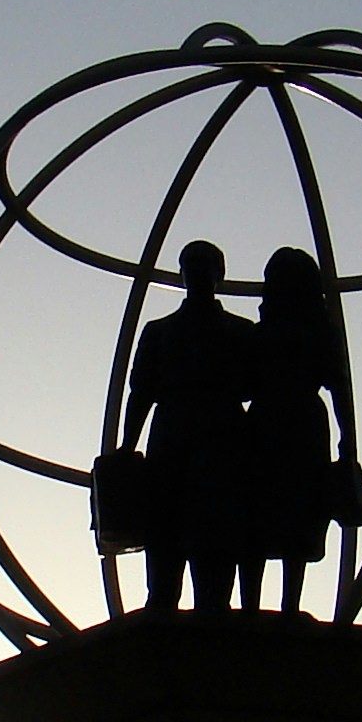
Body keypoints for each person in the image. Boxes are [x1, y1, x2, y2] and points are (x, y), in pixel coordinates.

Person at [122, 240, 256, 614]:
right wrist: (127, 446)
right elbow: (141, 392)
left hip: (214, 437)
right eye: (192, 267)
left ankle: (204, 605)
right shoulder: (237, 331)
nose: (197, 275)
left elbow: (142, 393)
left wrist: (126, 447)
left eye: (203, 267)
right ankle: (166, 602)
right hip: (188, 434)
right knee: (166, 525)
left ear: (219, 275)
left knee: (214, 529)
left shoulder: (238, 332)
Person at [240, 246, 352, 615]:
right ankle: (288, 607)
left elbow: (241, 386)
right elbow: (339, 388)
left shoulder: (259, 334)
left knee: (260, 516)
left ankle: (251, 607)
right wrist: (346, 441)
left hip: (266, 422)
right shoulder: (322, 334)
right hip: (303, 424)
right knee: (295, 516)